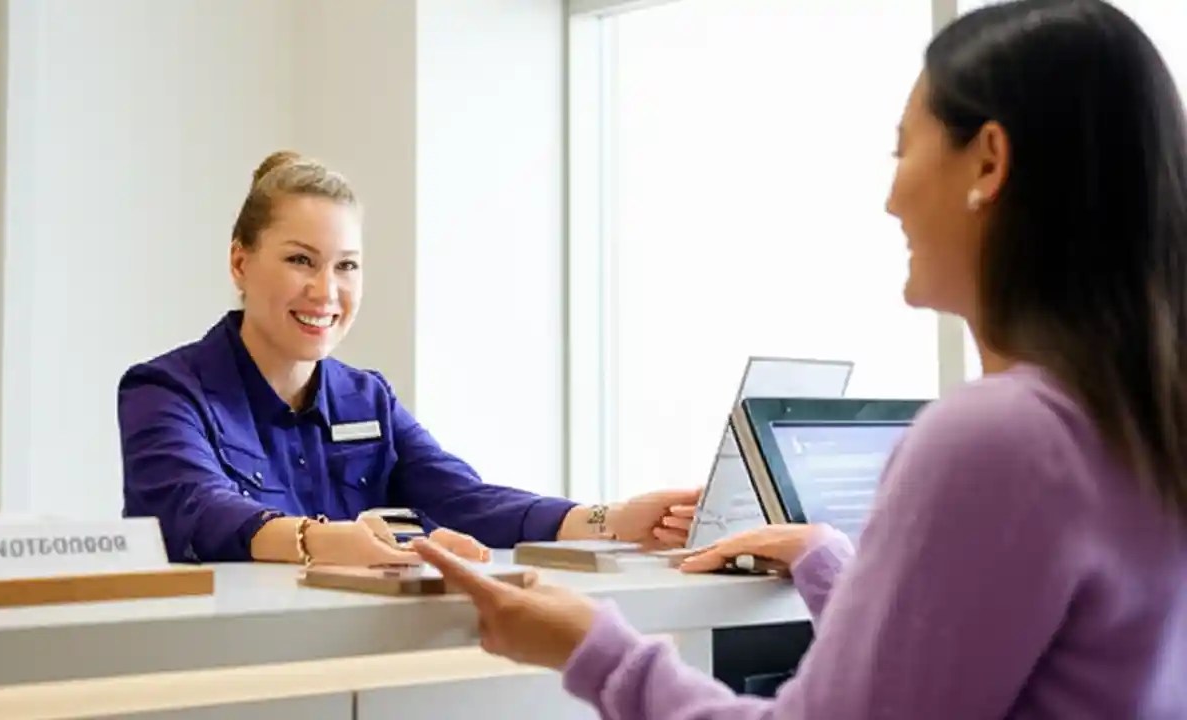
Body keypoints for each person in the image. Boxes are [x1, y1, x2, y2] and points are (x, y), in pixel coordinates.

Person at [411, 1, 1187, 717]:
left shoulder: (1000, 437)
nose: (891, 199)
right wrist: (830, 565)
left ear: (988, 162)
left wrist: (591, 647)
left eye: (902, 149)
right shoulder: (1142, 423)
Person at [118, 150, 698, 565]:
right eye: (301, 260)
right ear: (240, 263)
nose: (326, 291)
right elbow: (196, 510)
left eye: (346, 265)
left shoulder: (368, 398)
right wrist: (322, 539)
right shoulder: (166, 390)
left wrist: (612, 521)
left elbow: (465, 501)